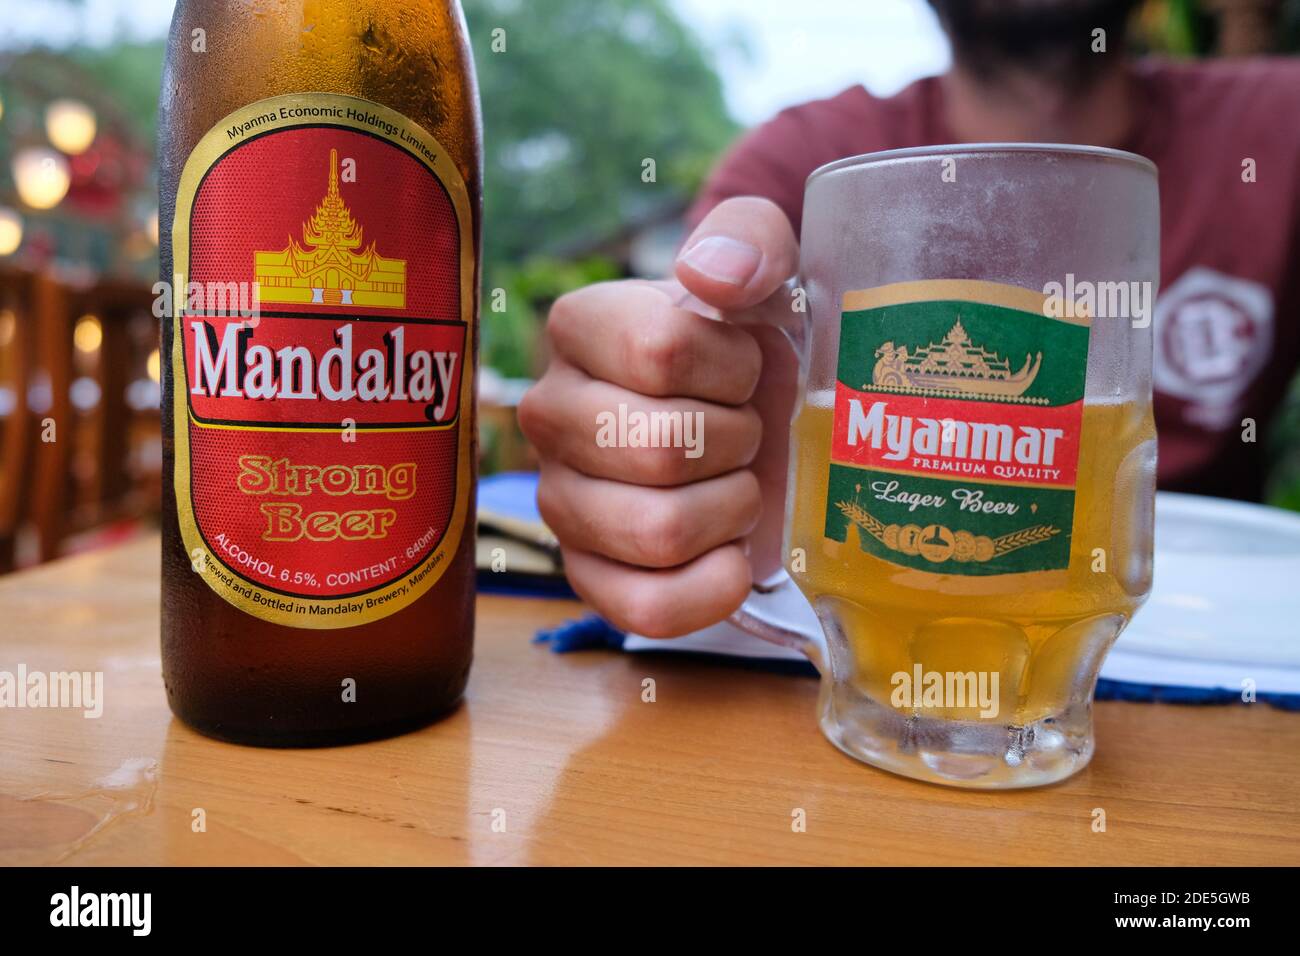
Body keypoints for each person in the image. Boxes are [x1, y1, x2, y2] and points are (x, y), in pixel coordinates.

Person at [518, 0, 1300, 638]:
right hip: (872, 654)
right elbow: (674, 352)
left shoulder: (1275, 128)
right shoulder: (817, 162)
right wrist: (647, 412)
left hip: (1240, 649)